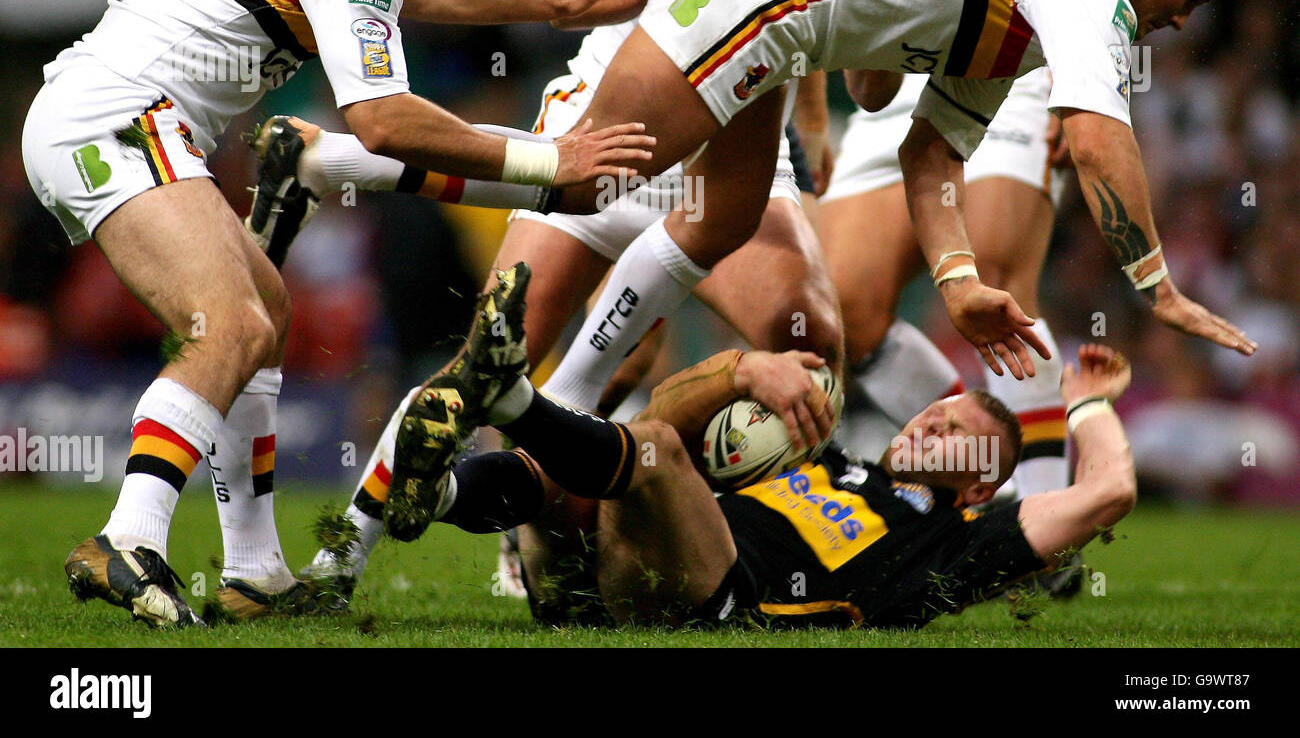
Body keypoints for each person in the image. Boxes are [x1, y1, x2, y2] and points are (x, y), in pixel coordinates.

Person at [23, 0, 653, 628]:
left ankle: (253, 571)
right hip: (116, 119)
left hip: (116, 113)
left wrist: (549, 5)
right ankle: (129, 539)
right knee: (230, 325)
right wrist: (551, 162)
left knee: (267, 314)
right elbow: (386, 121)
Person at [297, 0, 856, 599]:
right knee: (486, 364)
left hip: (732, 156)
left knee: (810, 351)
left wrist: (820, 109)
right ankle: (339, 560)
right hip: (608, 134)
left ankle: (730, 544)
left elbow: (845, 44)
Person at [528, 0, 1255, 440]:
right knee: (590, 178)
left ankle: (562, 398)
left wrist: (958, 279)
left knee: (716, 217)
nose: (1185, 19)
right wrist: (1157, 287)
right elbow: (1097, 137)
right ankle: (411, 153)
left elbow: (932, 152)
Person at [381, 261, 1137, 630]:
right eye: (937, 415)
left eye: (960, 438)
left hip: (726, 606)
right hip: (609, 587)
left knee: (653, 456)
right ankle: (435, 493)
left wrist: (1088, 404)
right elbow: (674, 414)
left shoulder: (954, 541)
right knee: (574, 475)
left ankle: (510, 395)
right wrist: (747, 369)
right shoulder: (818, 453)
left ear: (977, 487)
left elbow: (1109, 492)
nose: (933, 423)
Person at [817, 0, 1133, 514]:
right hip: (887, 85)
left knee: (991, 267)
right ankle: (989, 469)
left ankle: (1042, 520)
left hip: (1017, 72)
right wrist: (806, 112)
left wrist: (1084, 87)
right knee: (842, 317)